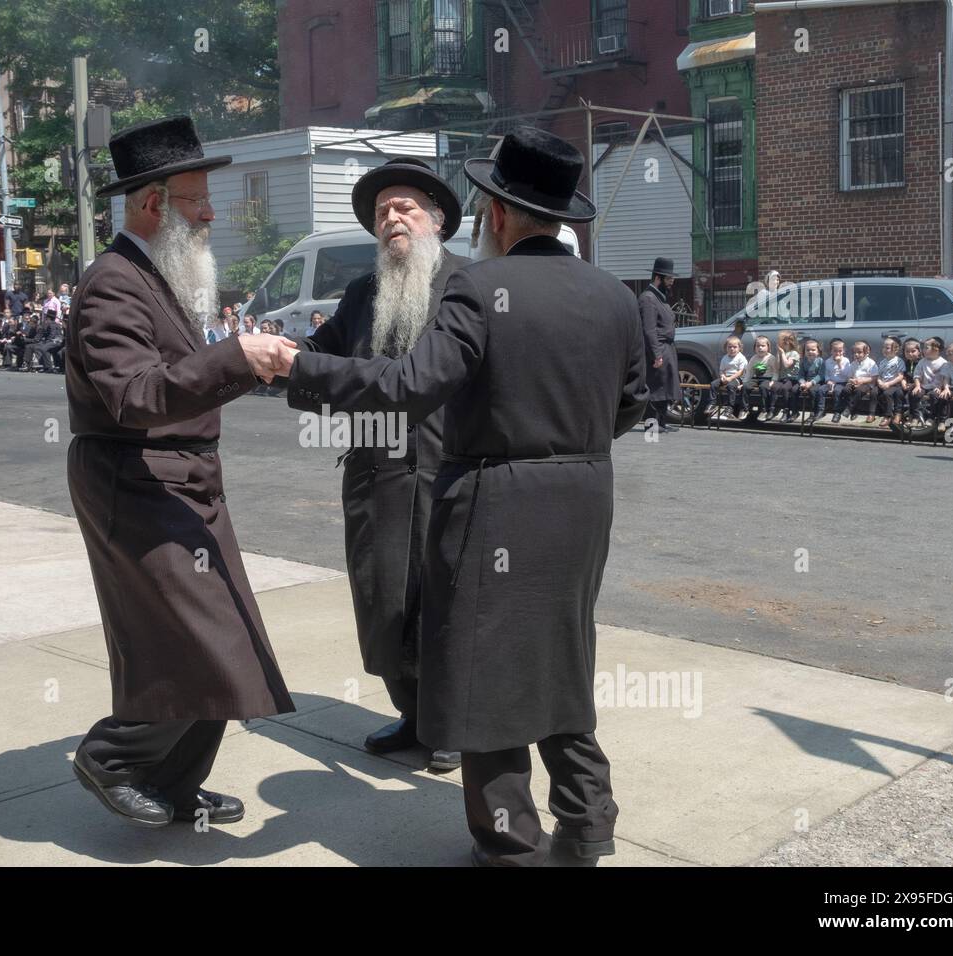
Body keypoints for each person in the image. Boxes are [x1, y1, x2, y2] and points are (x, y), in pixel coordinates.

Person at [282, 126, 648, 867]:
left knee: (483, 677)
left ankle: (508, 843)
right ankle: (586, 824)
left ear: (497, 213)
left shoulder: (477, 288)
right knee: (561, 659)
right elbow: (635, 402)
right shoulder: (615, 294)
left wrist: (297, 368)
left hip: (493, 500)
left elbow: (411, 387)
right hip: (583, 501)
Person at [66, 116, 297, 829]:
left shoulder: (154, 275)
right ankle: (113, 757)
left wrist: (249, 360)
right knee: (195, 639)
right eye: (197, 200)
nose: (211, 212)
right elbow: (135, 396)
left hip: (183, 480)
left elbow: (176, 381)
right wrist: (237, 357)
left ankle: (171, 785)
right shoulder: (111, 282)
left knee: (224, 639)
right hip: (136, 482)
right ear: (152, 204)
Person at [293, 155, 469, 774]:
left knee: (443, 604)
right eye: (381, 211)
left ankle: (452, 724)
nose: (392, 218)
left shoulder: (467, 287)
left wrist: (316, 374)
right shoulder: (363, 293)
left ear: (436, 220)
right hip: (375, 473)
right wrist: (281, 355)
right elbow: (315, 357)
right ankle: (414, 714)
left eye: (405, 207)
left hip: (449, 472)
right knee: (382, 601)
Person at [637, 257, 680, 432]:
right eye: (668, 279)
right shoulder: (648, 298)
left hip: (667, 347)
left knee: (665, 386)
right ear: (657, 278)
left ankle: (661, 422)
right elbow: (649, 329)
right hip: (657, 348)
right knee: (654, 387)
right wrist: (657, 354)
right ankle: (651, 426)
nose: (671, 282)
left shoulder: (660, 298)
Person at [910, 336, 949, 428]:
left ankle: (932, 417)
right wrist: (917, 386)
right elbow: (917, 375)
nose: (923, 350)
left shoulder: (943, 363)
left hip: (936, 387)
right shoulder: (922, 362)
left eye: (926, 348)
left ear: (936, 349)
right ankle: (916, 417)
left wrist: (940, 387)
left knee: (934, 396)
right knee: (914, 394)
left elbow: (944, 377)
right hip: (924, 386)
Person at [710, 336, 748, 420]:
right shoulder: (725, 358)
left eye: (735, 347)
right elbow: (722, 370)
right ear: (726, 348)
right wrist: (723, 376)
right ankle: (712, 403)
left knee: (731, 386)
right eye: (729, 347)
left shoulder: (741, 358)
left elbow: (741, 372)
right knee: (713, 384)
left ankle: (730, 408)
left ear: (739, 348)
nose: (732, 349)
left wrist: (730, 378)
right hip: (726, 377)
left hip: (737, 378)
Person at [840, 340, 877, 423]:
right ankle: (853, 410)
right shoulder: (853, 364)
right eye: (855, 352)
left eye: (859, 352)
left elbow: (875, 377)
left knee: (858, 391)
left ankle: (849, 408)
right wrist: (852, 380)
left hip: (866, 384)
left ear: (867, 353)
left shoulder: (871, 363)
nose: (856, 354)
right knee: (845, 390)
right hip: (855, 382)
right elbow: (850, 376)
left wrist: (862, 381)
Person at [873, 336, 907, 428]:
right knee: (874, 392)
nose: (884, 349)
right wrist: (879, 382)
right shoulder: (882, 362)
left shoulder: (898, 361)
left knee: (887, 394)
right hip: (883, 383)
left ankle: (888, 416)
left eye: (887, 348)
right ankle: (872, 414)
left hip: (894, 385)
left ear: (896, 350)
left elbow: (900, 376)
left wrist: (888, 384)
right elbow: (879, 375)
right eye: (883, 347)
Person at [766, 330, 799, 421]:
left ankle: (786, 411)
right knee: (774, 387)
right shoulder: (781, 353)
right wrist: (779, 354)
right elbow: (777, 367)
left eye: (779, 340)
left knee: (785, 389)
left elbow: (787, 364)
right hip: (782, 378)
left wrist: (783, 353)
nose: (777, 342)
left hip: (791, 379)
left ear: (786, 341)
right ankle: (772, 410)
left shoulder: (794, 353)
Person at [744, 335, 778, 416]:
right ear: (754, 348)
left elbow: (775, 371)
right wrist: (744, 382)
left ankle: (764, 410)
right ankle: (745, 409)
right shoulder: (753, 358)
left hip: (767, 379)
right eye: (758, 346)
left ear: (768, 347)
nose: (760, 348)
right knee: (745, 387)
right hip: (756, 378)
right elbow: (749, 371)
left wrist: (773, 381)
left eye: (763, 346)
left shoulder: (771, 358)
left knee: (764, 387)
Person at [819, 338, 851, 422]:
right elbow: (826, 374)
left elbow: (847, 375)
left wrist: (839, 364)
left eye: (840, 351)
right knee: (821, 390)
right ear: (831, 351)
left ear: (843, 351)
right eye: (835, 351)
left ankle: (837, 412)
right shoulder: (828, 361)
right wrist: (828, 381)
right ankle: (821, 410)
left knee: (838, 391)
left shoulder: (846, 361)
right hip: (831, 383)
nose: (837, 353)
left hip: (842, 382)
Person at [795, 338, 825, 423]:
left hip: (816, 382)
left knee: (812, 391)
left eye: (813, 350)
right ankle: (794, 411)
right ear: (804, 352)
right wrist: (802, 382)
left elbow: (821, 375)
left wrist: (811, 383)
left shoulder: (820, 361)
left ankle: (813, 413)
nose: (810, 352)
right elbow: (800, 374)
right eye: (808, 350)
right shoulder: (803, 361)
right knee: (794, 390)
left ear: (818, 351)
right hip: (805, 382)